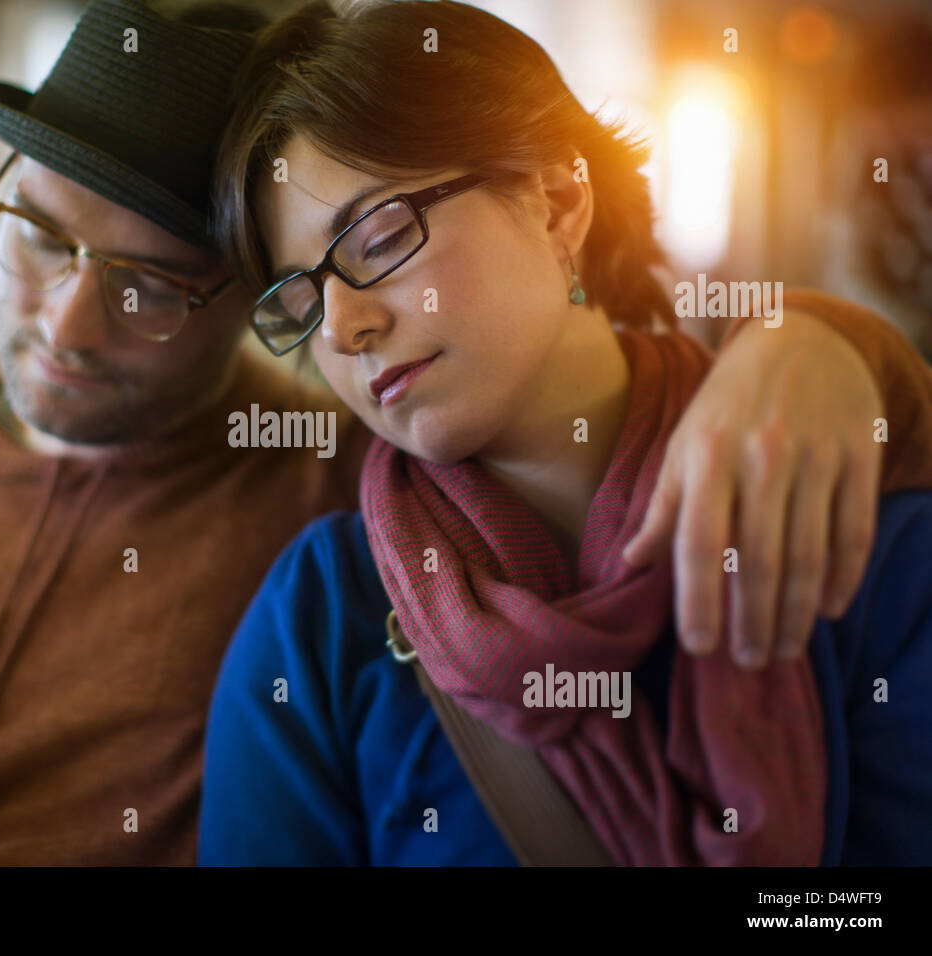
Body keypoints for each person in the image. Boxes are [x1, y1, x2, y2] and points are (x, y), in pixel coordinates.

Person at [0, 0, 930, 866]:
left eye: (150, 281)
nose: (70, 317)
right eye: (38, 235)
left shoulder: (309, 489)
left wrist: (822, 344)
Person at [200, 0, 932, 865]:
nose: (342, 327)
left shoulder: (834, 510)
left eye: (380, 236)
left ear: (556, 201)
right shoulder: (321, 625)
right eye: (299, 298)